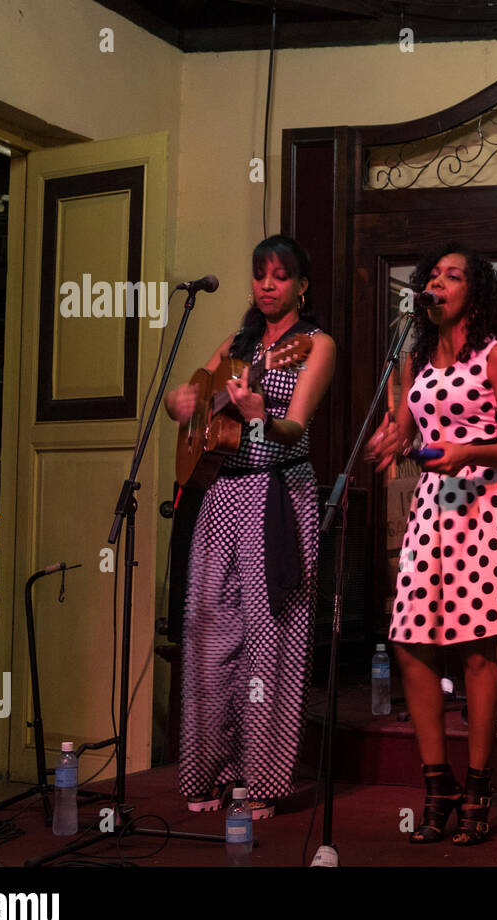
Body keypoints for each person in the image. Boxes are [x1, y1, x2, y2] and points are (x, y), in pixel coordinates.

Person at [367, 243, 497, 846]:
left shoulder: (496, 355)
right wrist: (390, 440)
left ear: (473, 291)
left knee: (478, 648)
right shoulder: (416, 359)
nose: (438, 283)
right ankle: (437, 783)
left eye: (453, 275)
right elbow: (406, 430)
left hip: (489, 504)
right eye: (433, 276)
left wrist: (471, 450)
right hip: (435, 506)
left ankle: (479, 784)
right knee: (411, 643)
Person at [164, 235, 335, 818]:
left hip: (278, 494)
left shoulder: (313, 345)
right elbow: (184, 396)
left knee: (271, 642)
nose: (268, 285)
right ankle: (207, 772)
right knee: (209, 636)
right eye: (260, 275)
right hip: (219, 496)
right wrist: (183, 403)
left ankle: (260, 779)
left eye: (280, 276)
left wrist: (263, 416)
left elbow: (296, 427)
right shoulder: (236, 344)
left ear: (301, 285)